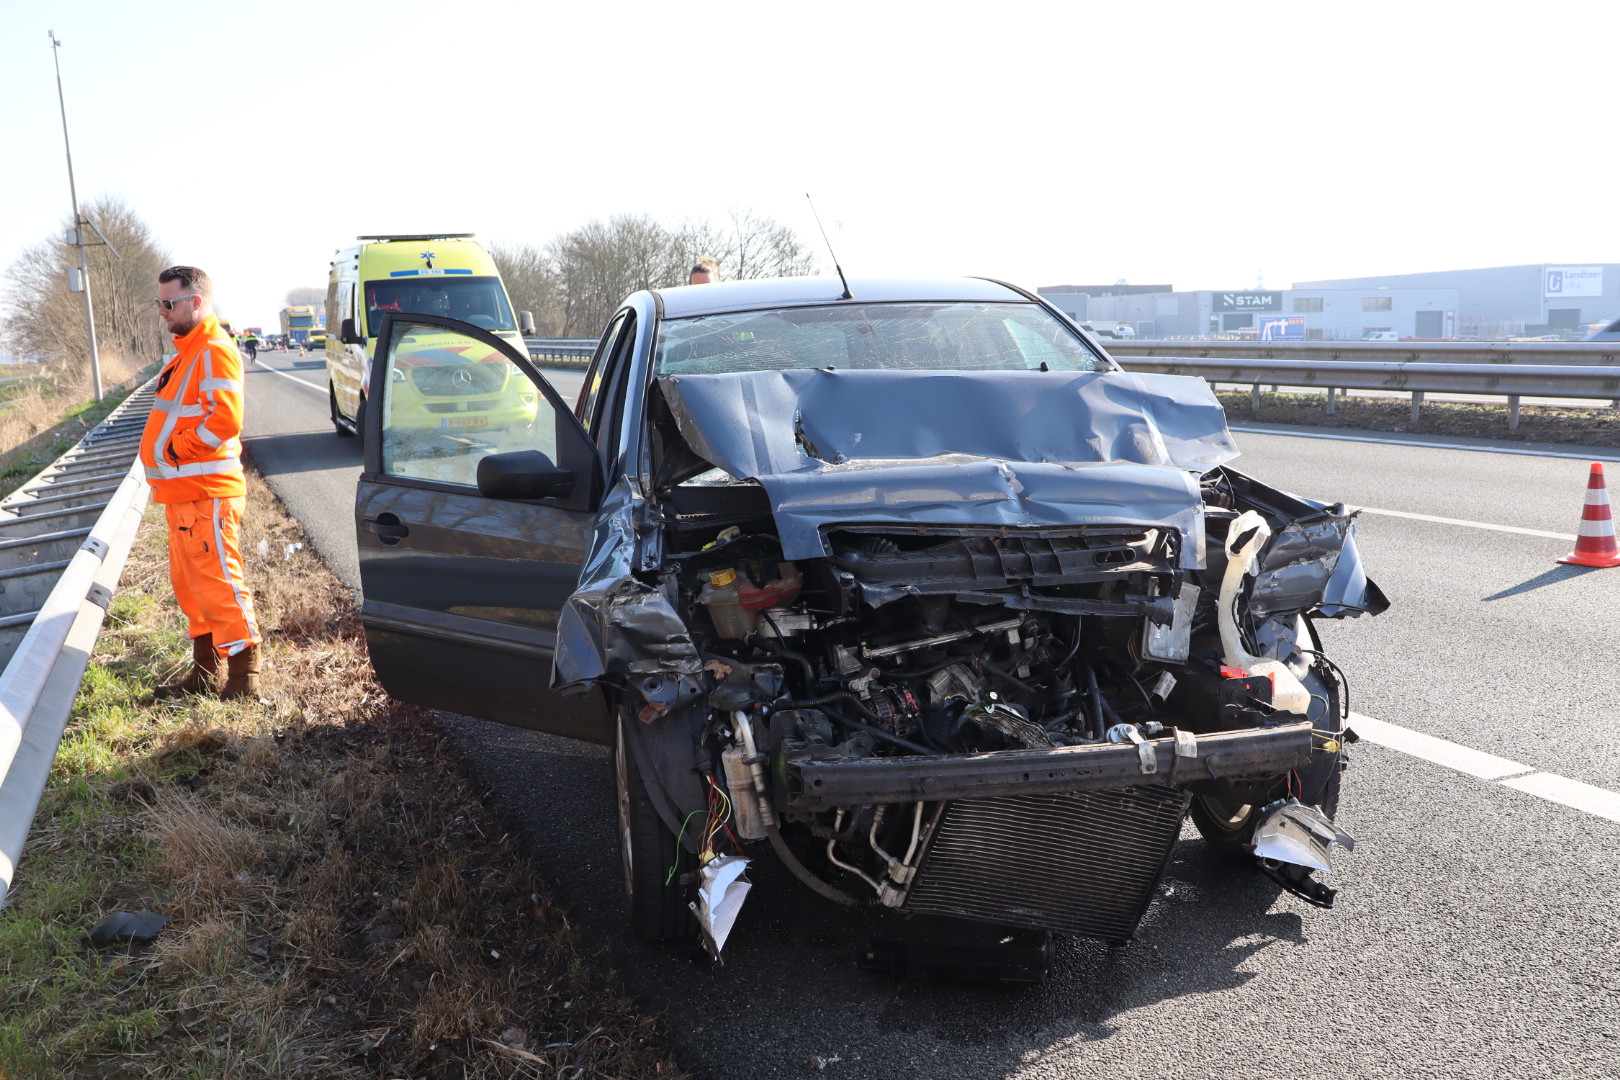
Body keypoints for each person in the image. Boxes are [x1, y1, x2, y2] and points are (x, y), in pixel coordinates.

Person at [142, 266, 262, 700]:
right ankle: (205, 673)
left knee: (220, 583)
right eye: (159, 303)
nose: (162, 312)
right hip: (184, 494)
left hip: (207, 492)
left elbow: (226, 420)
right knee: (194, 589)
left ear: (195, 302)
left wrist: (176, 450)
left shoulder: (213, 349)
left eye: (168, 303)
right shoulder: (188, 352)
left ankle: (244, 680)